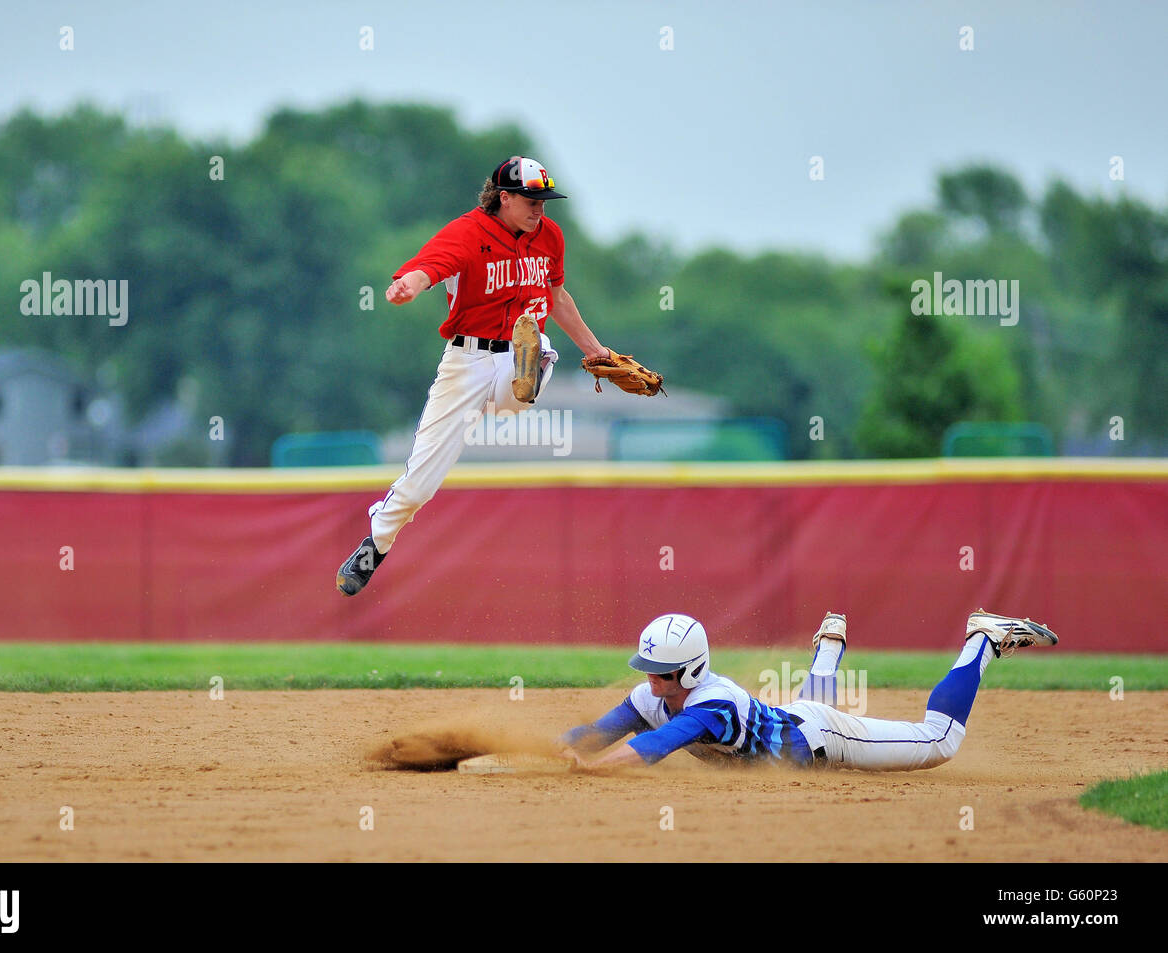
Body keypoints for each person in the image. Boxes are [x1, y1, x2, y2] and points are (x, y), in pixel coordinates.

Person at [336, 156, 612, 596]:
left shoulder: (550, 237)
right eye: (530, 199)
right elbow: (433, 264)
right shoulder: (469, 232)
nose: (540, 208)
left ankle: (532, 362)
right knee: (417, 485)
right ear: (504, 197)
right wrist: (411, 282)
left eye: (544, 200)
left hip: (517, 351)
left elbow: (556, 296)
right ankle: (374, 546)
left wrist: (596, 351)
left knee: (527, 358)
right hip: (466, 361)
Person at [559, 609, 1058, 771]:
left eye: (660, 673)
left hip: (825, 740)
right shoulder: (654, 696)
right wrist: (544, 753)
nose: (650, 680)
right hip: (797, 717)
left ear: (688, 672)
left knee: (939, 742)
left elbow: (648, 749)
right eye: (648, 668)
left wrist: (588, 773)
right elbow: (596, 735)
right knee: (808, 704)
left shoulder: (711, 706)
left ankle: (983, 640)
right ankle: (830, 643)